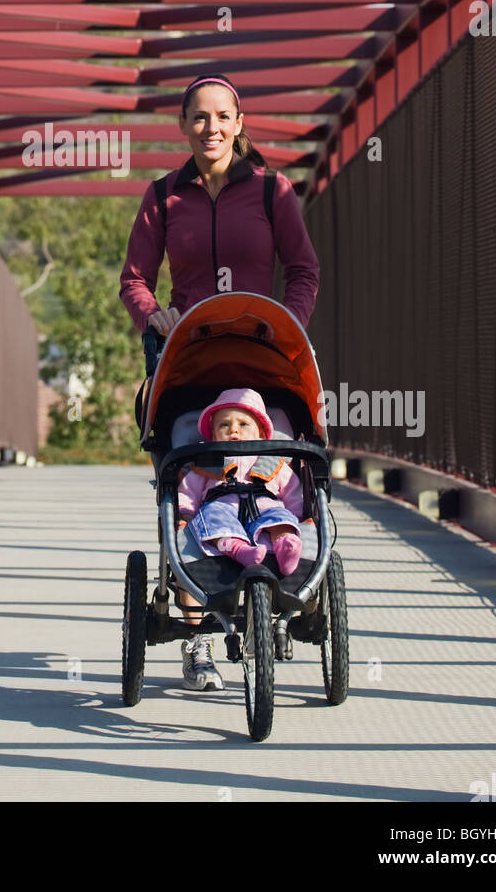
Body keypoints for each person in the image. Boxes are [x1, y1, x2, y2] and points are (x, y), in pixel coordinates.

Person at [119, 73, 320, 693]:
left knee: (282, 453)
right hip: (190, 361)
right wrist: (153, 312)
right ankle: (196, 636)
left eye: (222, 116)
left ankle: (286, 571)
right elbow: (134, 278)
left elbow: (304, 269)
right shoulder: (162, 196)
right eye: (199, 117)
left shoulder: (270, 190)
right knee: (186, 468)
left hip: (261, 359)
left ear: (239, 123)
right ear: (184, 125)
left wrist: (288, 328)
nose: (211, 128)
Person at [177, 388, 304, 576]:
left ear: (261, 432)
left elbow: (291, 489)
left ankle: (285, 545)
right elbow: (189, 490)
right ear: (212, 435)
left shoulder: (274, 461)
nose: (233, 429)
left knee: (281, 518)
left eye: (243, 424)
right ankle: (240, 550)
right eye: (224, 425)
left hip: (265, 506)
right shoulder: (207, 462)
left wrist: (297, 514)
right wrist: (186, 515)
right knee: (210, 520)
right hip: (221, 506)